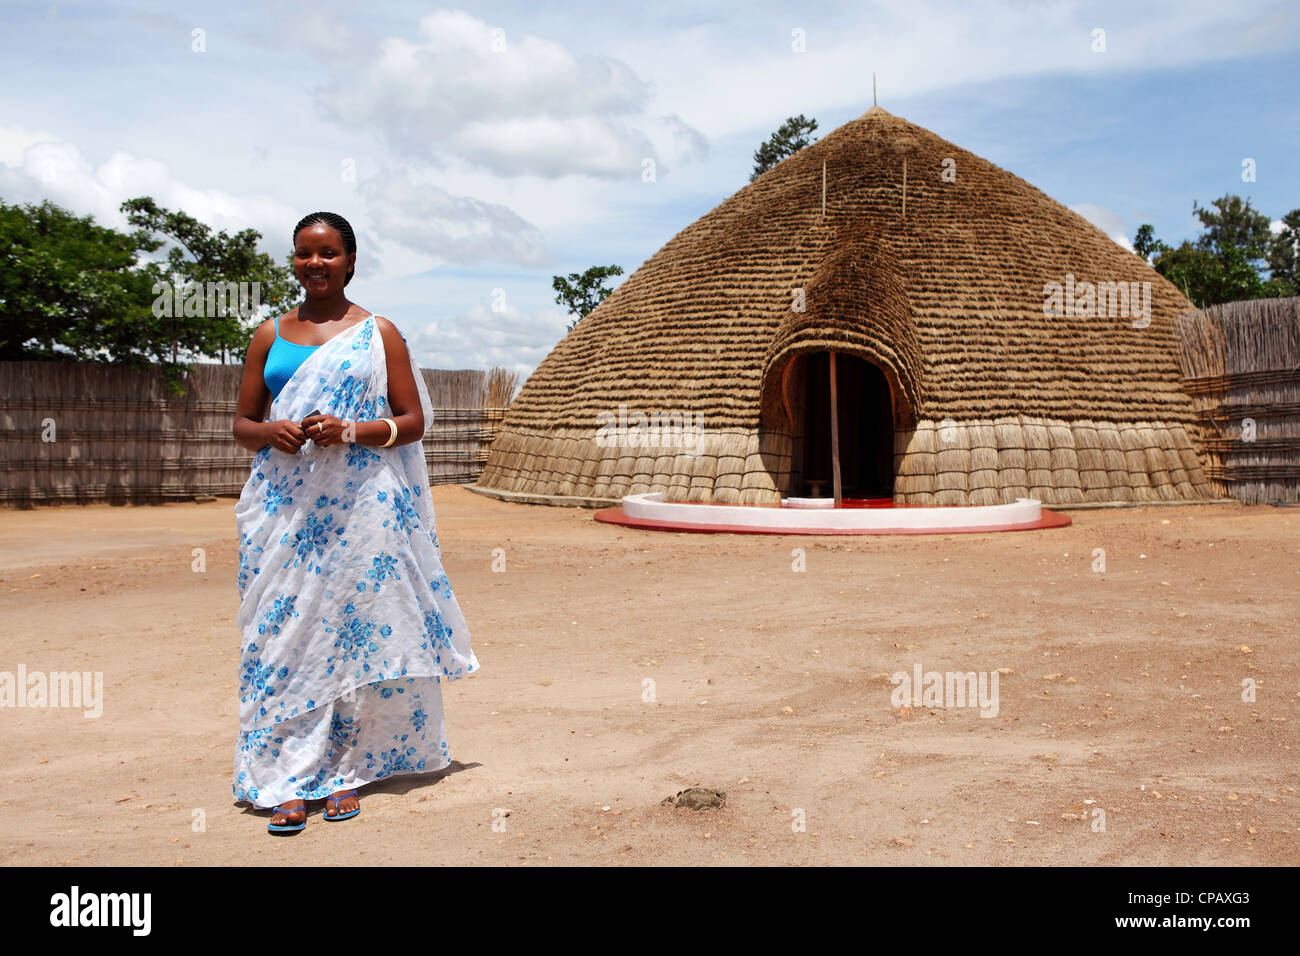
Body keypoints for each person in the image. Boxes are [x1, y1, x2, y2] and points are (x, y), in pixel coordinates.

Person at [230, 211, 478, 834]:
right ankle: (284, 776)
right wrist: (272, 432)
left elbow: (415, 421)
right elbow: (242, 424)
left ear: (350, 261)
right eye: (303, 253)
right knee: (283, 638)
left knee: (354, 630)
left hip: (364, 511)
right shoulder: (268, 335)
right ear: (294, 261)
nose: (315, 263)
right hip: (285, 514)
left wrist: (351, 430)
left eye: (328, 253)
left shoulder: (378, 334)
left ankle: (347, 768)